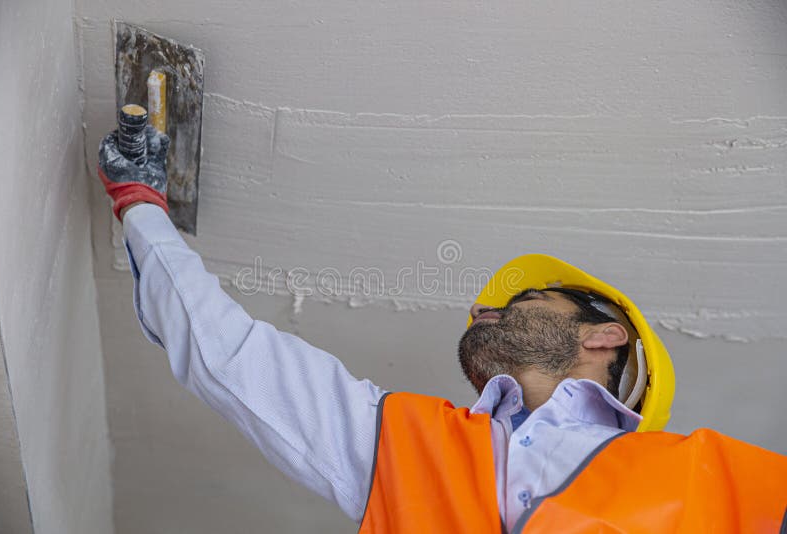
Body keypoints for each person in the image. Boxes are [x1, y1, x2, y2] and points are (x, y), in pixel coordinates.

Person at [99, 128, 787, 533]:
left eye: (531, 298)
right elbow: (232, 355)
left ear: (603, 337)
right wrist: (140, 204)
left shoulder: (712, 476)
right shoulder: (405, 442)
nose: (484, 312)